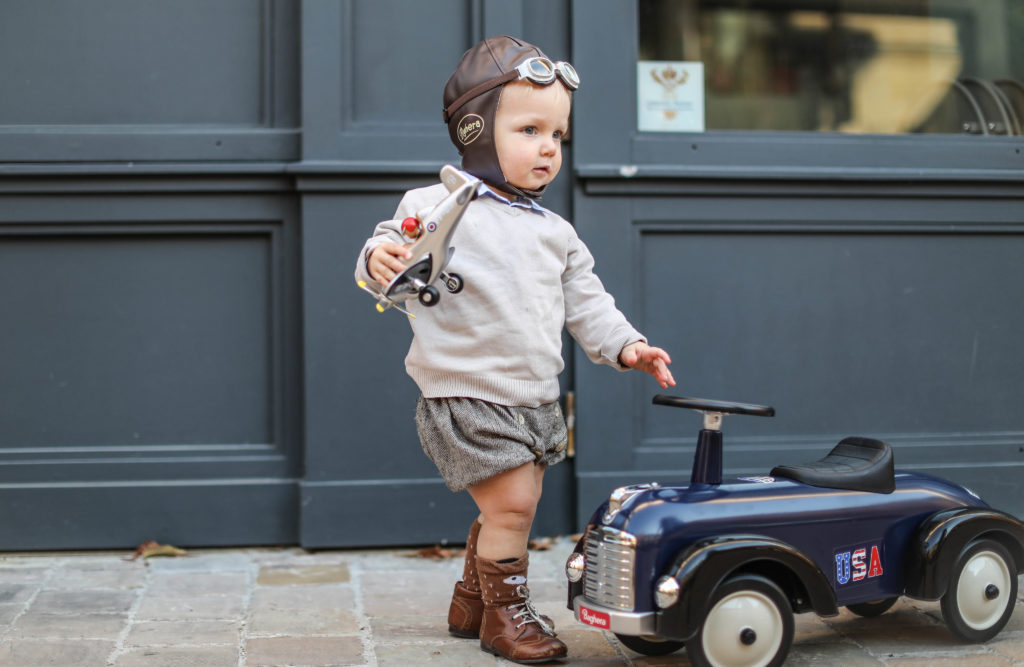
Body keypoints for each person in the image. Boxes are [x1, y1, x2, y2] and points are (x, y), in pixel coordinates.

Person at [354, 35, 675, 664]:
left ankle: (470, 600)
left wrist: (628, 346)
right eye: (529, 129)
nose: (549, 148)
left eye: (558, 134)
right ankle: (507, 616)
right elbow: (387, 254)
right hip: (465, 390)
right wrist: (380, 256)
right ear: (476, 130)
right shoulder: (437, 205)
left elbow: (588, 302)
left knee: (509, 503)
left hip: (534, 397)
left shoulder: (555, 232)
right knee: (515, 504)